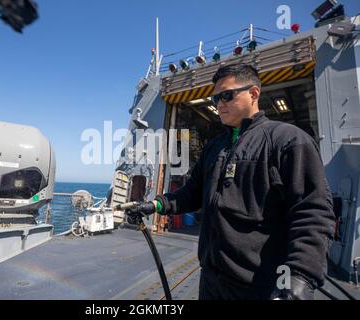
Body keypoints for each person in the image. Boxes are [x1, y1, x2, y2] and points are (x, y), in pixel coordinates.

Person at [132, 64, 335, 300]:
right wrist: (155, 205)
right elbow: (191, 193)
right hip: (211, 280)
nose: (219, 103)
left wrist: (301, 276)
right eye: (216, 97)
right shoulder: (214, 147)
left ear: (254, 93)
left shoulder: (287, 140)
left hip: (260, 286)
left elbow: (313, 211)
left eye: (227, 95)